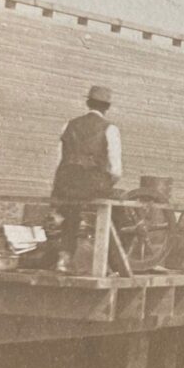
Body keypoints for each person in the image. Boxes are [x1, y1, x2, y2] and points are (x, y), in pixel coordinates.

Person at [51, 85, 122, 272]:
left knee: (70, 213)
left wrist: (61, 184)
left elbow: (59, 160)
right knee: (118, 209)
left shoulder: (69, 125)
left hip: (66, 183)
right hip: (92, 184)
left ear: (88, 103)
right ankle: (110, 263)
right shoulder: (110, 129)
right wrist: (107, 184)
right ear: (107, 107)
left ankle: (64, 259)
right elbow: (116, 170)